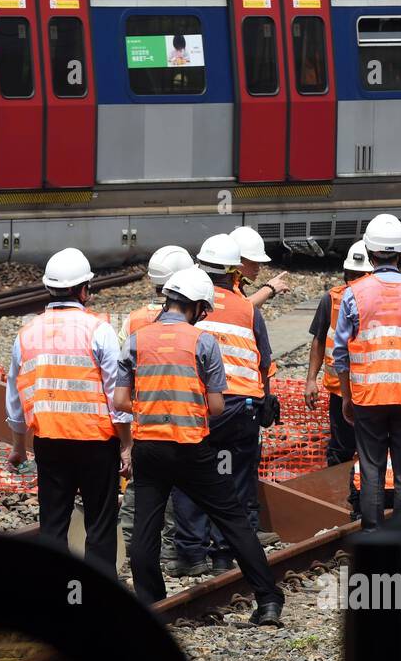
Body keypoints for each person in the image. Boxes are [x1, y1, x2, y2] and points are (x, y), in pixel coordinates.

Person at [114, 267, 284, 626]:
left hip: (148, 447)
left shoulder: (136, 340)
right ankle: (268, 601)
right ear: (195, 307)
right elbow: (218, 406)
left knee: (146, 526)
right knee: (234, 521)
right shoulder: (202, 342)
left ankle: (153, 603)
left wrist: (151, 409)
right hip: (191, 446)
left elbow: (120, 400)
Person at [6, 248, 131, 570]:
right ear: (84, 289)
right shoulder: (99, 330)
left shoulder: (27, 333)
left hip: (49, 441)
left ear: (49, 289)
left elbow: (16, 398)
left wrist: (19, 446)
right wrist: (127, 444)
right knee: (100, 522)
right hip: (96, 442)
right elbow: (114, 394)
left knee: (53, 519)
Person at [332, 213, 401, 532]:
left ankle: (372, 534)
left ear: (368, 251)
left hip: (368, 397)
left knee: (371, 469)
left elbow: (341, 354)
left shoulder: (353, 293)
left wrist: (347, 397)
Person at [171, 233, 273, 573]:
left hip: (196, 406)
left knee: (189, 476)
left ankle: (190, 553)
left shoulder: (188, 305)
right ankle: (224, 555)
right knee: (234, 480)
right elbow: (263, 362)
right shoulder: (247, 308)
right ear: (235, 274)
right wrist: (267, 399)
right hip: (240, 406)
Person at [118, 245, 195, 564]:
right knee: (179, 484)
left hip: (142, 416)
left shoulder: (134, 320)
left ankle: (127, 546)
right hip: (181, 419)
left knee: (142, 483)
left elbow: (120, 373)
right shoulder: (189, 320)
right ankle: (169, 548)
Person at [304, 240, 373, 466]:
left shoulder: (379, 303)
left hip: (373, 391)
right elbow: (319, 340)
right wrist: (311, 380)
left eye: (360, 276)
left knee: (372, 449)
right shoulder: (331, 300)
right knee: (342, 449)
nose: (354, 281)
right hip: (340, 392)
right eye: (351, 275)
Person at [227, 227, 292, 309]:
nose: (257, 268)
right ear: (235, 261)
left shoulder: (232, 283)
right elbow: (239, 309)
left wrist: (267, 293)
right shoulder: (223, 285)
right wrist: (268, 289)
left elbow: (252, 309)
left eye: (258, 263)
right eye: (252, 263)